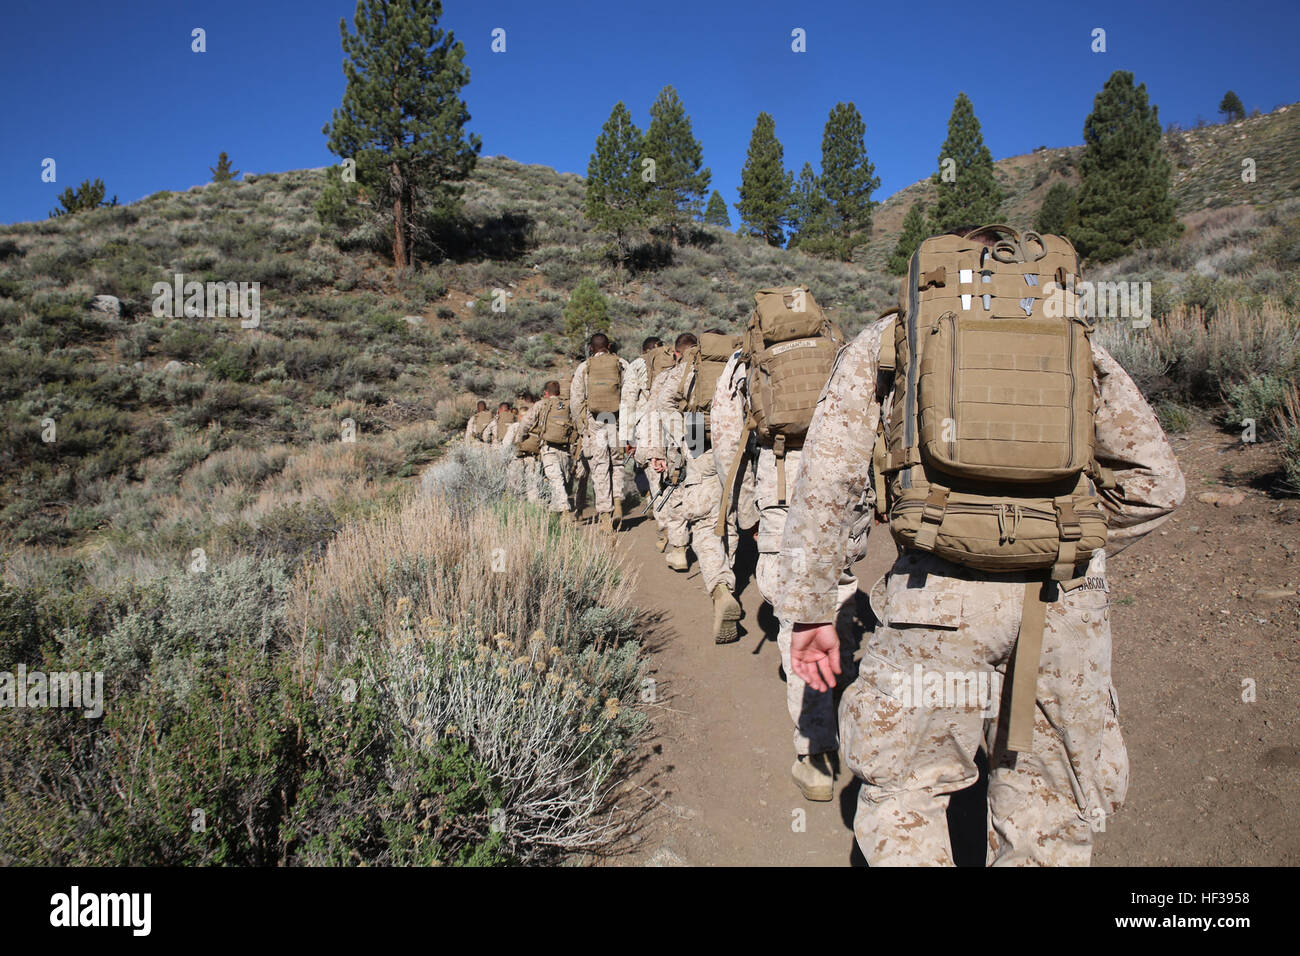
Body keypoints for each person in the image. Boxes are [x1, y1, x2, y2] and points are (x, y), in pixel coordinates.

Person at [779, 225, 1186, 865]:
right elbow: (1157, 483)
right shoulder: (1074, 341)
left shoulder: (890, 341)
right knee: (1048, 813)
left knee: (906, 796)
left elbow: (827, 484)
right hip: (1060, 605)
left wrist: (808, 610)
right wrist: (1063, 536)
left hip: (931, 600)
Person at [711, 289, 866, 802]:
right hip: (841, 491)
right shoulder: (843, 347)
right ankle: (849, 694)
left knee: (797, 612)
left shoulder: (744, 361)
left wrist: (740, 511)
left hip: (781, 490)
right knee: (840, 591)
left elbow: (727, 440)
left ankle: (817, 751)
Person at [649, 331, 742, 644]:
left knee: (704, 523)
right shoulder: (736, 363)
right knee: (729, 517)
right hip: (738, 451)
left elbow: (659, 408)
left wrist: (672, 447)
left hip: (698, 451)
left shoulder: (680, 372)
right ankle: (729, 571)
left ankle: (720, 587)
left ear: (678, 353)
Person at [571, 334, 628, 534]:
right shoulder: (621, 364)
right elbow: (630, 394)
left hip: (595, 422)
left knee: (600, 467)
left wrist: (582, 428)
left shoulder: (584, 367)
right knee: (618, 462)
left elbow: (576, 401)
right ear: (609, 346)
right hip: (617, 420)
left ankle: (605, 514)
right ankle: (618, 501)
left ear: (591, 348)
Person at [620, 336, 665, 544]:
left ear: (643, 350)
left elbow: (628, 400)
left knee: (651, 469)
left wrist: (625, 436)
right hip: (672, 421)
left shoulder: (636, 366)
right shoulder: (672, 359)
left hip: (645, 424)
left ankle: (663, 523)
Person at [513, 380, 576, 518]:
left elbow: (525, 423)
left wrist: (520, 439)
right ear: (558, 392)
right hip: (565, 448)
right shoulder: (568, 405)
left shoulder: (541, 404)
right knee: (563, 479)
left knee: (555, 478)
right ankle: (557, 509)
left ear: (546, 393)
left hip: (548, 448)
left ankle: (564, 509)